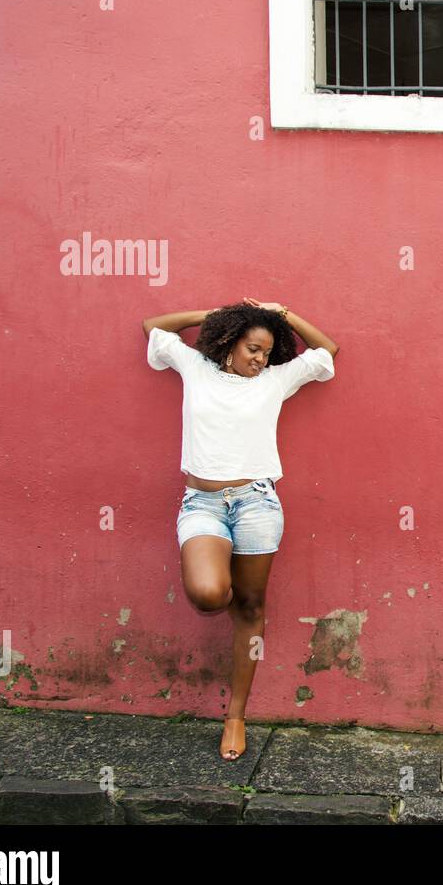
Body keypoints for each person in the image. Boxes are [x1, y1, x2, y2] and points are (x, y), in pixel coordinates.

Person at [141, 297, 337, 760]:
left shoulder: (274, 381)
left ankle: (236, 716)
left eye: (267, 352)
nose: (260, 359)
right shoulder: (194, 367)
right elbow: (153, 326)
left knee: (250, 609)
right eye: (252, 348)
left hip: (257, 504)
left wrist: (284, 314)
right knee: (209, 594)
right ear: (228, 344)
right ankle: (226, 584)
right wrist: (209, 315)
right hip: (203, 504)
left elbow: (327, 351)